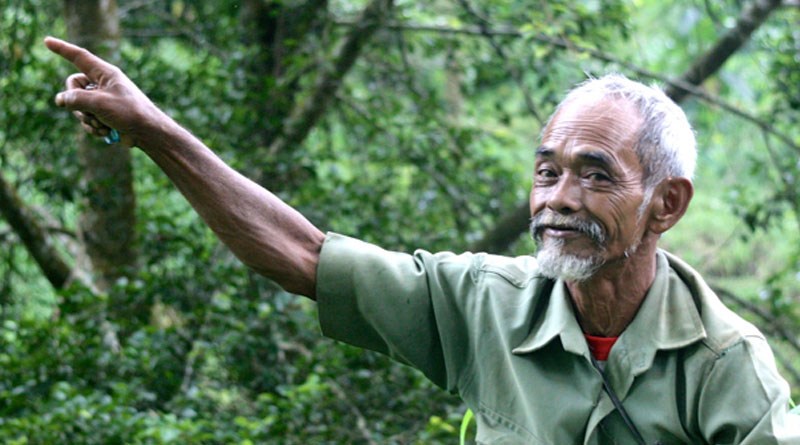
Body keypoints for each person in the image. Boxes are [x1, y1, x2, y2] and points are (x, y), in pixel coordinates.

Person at [45, 36, 799, 444]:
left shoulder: (727, 368)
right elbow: (307, 256)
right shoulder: (483, 301)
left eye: (594, 175)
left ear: (666, 204)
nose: (557, 199)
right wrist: (155, 133)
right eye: (546, 171)